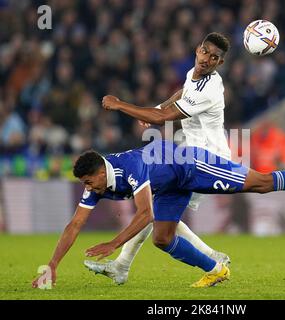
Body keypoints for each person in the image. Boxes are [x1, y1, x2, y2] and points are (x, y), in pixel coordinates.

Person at [32, 139, 285, 289]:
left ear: (101, 172)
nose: (89, 189)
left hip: (189, 165)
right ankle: (216, 269)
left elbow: (144, 213)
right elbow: (75, 224)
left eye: (90, 182)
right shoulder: (97, 185)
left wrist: (112, 244)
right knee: (162, 238)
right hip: (170, 183)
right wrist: (53, 265)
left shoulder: (128, 169)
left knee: (261, 183)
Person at [84, 32, 234, 284]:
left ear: (220, 63)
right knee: (156, 210)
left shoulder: (209, 87)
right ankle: (122, 266)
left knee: (154, 210)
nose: (207, 58)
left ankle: (210, 257)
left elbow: (163, 119)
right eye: (205, 51)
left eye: (214, 56)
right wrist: (158, 106)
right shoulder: (195, 74)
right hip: (190, 155)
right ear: (198, 49)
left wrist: (121, 105)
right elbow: (183, 93)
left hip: (208, 162)